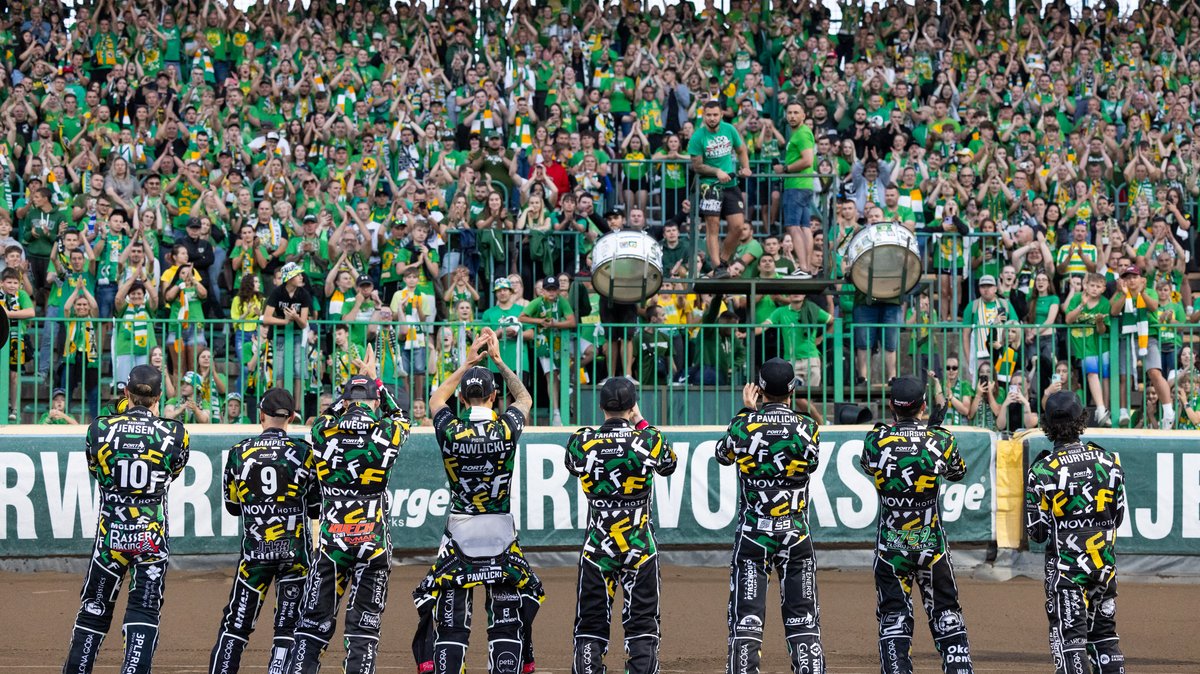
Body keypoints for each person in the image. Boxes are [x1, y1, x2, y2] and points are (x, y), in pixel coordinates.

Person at [412, 329, 542, 674]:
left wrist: (467, 362)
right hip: (500, 533)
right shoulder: (505, 427)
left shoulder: (451, 429)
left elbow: (437, 398)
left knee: (453, 617)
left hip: (459, 533)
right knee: (505, 616)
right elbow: (525, 399)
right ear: (494, 395)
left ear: (464, 398)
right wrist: (499, 362)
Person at [62, 365, 190, 674]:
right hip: (151, 537)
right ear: (159, 398)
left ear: (125, 393)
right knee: (144, 612)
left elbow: (97, 470)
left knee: (93, 612)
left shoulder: (99, 428)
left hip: (111, 537)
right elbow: (171, 474)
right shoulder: (176, 433)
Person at [285, 363, 411, 674]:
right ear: (374, 402)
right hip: (373, 542)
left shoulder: (323, 431)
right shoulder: (387, 432)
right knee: (364, 629)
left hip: (331, 542)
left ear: (346, 402)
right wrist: (376, 381)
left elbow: (326, 415)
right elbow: (402, 417)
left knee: (313, 623)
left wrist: (348, 394)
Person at [715, 357, 825, 674]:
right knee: (804, 617)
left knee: (746, 617)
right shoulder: (808, 427)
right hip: (795, 533)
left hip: (753, 534)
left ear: (759, 389)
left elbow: (722, 454)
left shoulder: (743, 425)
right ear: (792, 390)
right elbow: (813, 462)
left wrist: (747, 412)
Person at [860, 376, 974, 674]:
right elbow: (958, 472)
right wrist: (933, 430)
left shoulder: (876, 439)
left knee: (893, 616)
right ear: (924, 406)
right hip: (931, 546)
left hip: (891, 547)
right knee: (947, 613)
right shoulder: (942, 440)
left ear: (891, 407)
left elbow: (866, 464)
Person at [564, 378, 677, 674]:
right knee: (642, 625)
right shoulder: (649, 439)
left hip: (597, 548)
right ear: (632, 405)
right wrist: (639, 422)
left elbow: (571, 464)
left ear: (601, 406)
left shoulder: (582, 440)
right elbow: (669, 464)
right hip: (639, 548)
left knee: (590, 625)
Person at [209, 388, 318, 674]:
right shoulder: (306, 452)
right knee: (288, 628)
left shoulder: (238, 452)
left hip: (255, 555)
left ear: (260, 415)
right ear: (292, 417)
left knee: (235, 626)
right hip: (294, 554)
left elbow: (233, 506)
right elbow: (317, 508)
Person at [1026, 392, 1127, 674]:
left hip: (1067, 571)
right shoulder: (1108, 461)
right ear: (1082, 419)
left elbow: (1036, 532)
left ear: (1046, 424)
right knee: (1106, 636)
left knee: (1071, 642)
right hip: (1103, 566)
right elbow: (1117, 517)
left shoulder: (1042, 470)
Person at [689, 100, 752, 272]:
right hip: (710, 186)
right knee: (713, 225)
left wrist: (745, 167)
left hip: (731, 184)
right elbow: (697, 166)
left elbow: (741, 150)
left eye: (715, 114)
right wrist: (717, 171)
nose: (712, 118)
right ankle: (717, 266)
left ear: (721, 115)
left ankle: (722, 261)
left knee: (739, 227)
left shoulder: (730, 129)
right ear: (703, 116)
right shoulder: (697, 137)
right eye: (708, 115)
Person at [776, 102, 816, 277]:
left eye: (796, 113)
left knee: (793, 227)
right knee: (804, 226)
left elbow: (808, 160)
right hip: (803, 185)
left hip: (797, 185)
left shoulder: (802, 133)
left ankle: (803, 267)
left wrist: (785, 169)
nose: (792, 116)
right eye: (789, 112)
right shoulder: (800, 133)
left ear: (804, 115)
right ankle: (806, 268)